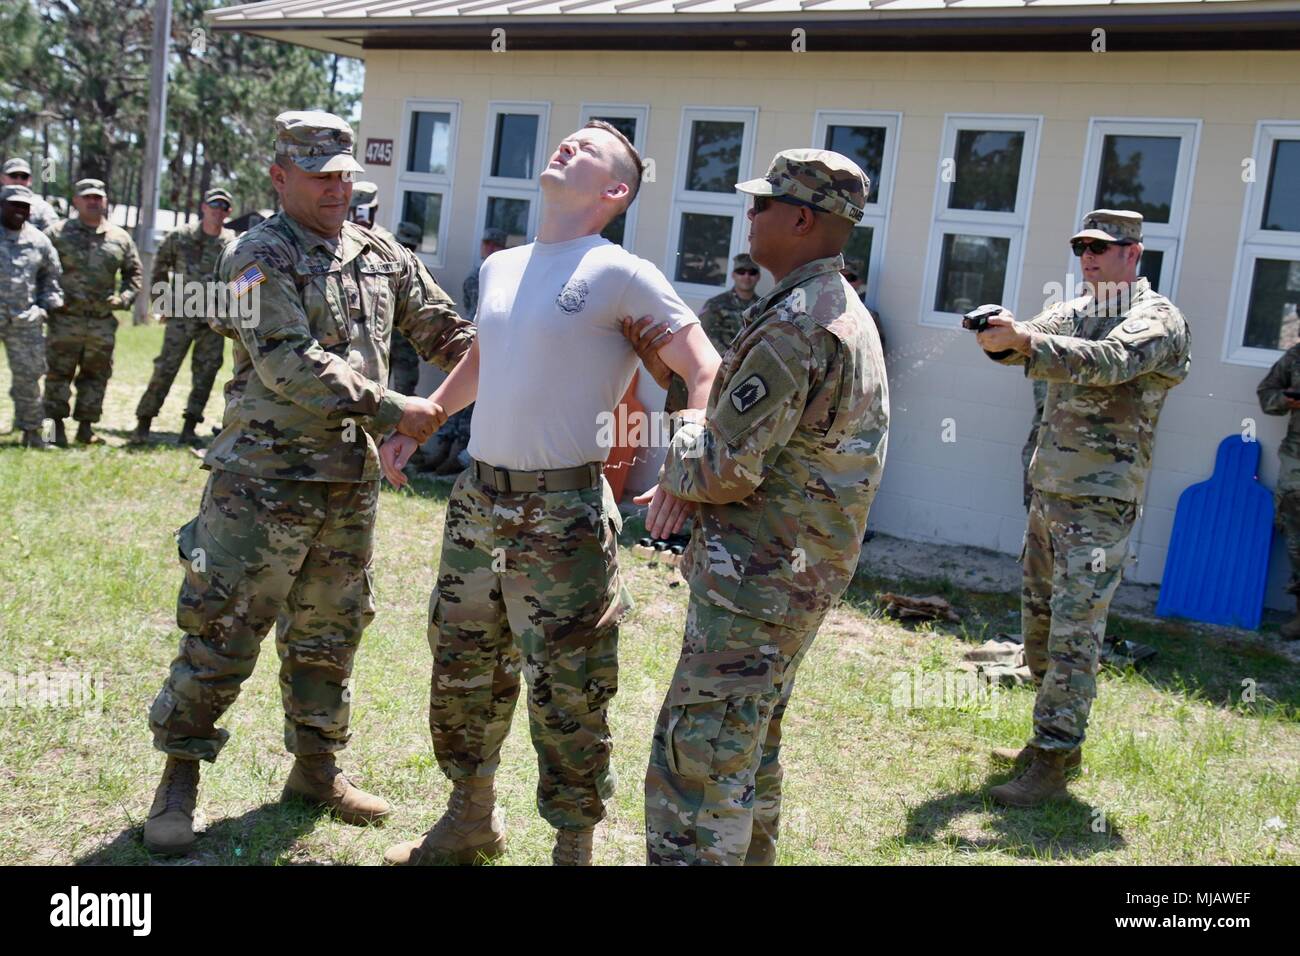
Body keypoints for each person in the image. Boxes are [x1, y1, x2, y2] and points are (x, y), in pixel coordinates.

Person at [378, 120, 721, 867]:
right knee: (463, 665)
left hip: (562, 512)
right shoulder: (505, 268)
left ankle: (573, 846)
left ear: (615, 190)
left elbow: (703, 368)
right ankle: (470, 817)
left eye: (588, 149)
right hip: (476, 503)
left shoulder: (619, 273)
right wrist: (428, 416)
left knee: (570, 687)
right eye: (564, 139)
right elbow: (486, 358)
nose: (566, 146)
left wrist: (686, 468)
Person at [142, 110, 475, 856]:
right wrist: (396, 410)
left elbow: (443, 328)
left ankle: (317, 770)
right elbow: (287, 360)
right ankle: (178, 780)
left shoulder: (377, 250)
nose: (335, 188)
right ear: (281, 176)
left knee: (331, 633)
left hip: (345, 486)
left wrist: (508, 347)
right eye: (320, 176)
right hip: (260, 484)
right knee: (222, 628)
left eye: (344, 175)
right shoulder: (255, 256)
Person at [628, 148, 889, 865]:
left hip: (759, 582)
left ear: (802, 219)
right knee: (746, 748)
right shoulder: (832, 308)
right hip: (789, 576)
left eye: (761, 204)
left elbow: (722, 467)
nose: (749, 216)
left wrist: (685, 435)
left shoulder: (797, 323)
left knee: (698, 767)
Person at [975, 209, 1190, 806]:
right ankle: (1053, 747)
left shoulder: (1156, 319)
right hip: (1051, 491)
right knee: (1040, 627)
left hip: (1101, 500)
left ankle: (1052, 757)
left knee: (1075, 631)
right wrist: (1000, 334)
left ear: (1133, 253)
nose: (1088, 257)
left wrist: (1027, 341)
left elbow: (1109, 363)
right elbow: (1026, 347)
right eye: (1081, 247)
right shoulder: (1074, 311)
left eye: (1101, 247)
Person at [131, 188, 237, 446]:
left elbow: (245, 277)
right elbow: (158, 267)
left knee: (206, 373)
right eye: (214, 205)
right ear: (204, 207)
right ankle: (143, 424)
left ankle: (190, 426)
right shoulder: (180, 237)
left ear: (229, 212)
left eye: (223, 207)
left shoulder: (234, 243)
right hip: (181, 316)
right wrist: (162, 302)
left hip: (213, 321)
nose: (218, 211)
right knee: (165, 369)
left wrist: (230, 306)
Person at [43, 178, 142, 446]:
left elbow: (134, 274)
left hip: (101, 322)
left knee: (96, 375)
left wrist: (123, 299)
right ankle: (54, 430)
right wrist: (50, 299)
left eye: (98, 197)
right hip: (65, 319)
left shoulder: (120, 238)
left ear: (105, 201)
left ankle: (86, 429)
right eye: (87, 197)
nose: (93, 201)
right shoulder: (56, 234)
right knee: (57, 374)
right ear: (76, 201)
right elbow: (41, 269)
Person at [421, 228, 509, 475]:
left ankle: (458, 454)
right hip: (466, 342)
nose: (490, 247)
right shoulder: (476, 274)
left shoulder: (504, 275)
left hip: (485, 346)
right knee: (456, 402)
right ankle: (445, 450)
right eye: (487, 243)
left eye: (495, 244)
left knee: (471, 408)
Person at [0, 184, 62, 448]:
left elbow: (52, 277)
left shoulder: (39, 241)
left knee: (29, 378)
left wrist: (45, 307)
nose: (19, 211)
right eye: (13, 205)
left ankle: (33, 434)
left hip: (24, 322)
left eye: (24, 206)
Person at [1256, 344, 1300, 641]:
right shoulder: (1296, 356)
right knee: (1297, 537)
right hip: (1297, 460)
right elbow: (1266, 394)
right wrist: (1285, 400)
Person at [1, 158, 60, 231]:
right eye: (13, 175)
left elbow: (54, 233)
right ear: (2, 178)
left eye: (24, 176)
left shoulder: (42, 208)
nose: (19, 180)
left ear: (30, 180)